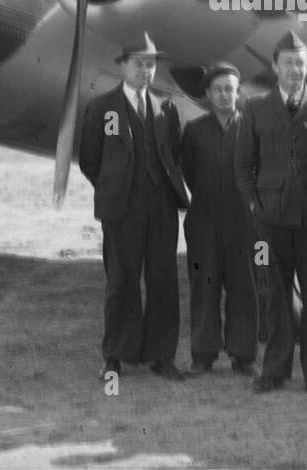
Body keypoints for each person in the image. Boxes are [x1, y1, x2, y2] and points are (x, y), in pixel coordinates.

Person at [79, 31, 190, 382]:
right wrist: (114, 187)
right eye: (139, 64)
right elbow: (90, 159)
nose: (145, 71)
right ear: (123, 66)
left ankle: (161, 356)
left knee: (163, 281)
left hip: (160, 208)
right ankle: (114, 356)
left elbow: (172, 152)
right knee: (121, 281)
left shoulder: (166, 108)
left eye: (151, 64)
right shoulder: (102, 109)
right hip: (121, 209)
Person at [234, 29, 307, 395]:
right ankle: (275, 370)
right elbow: (243, 163)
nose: (295, 69)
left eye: (300, 63)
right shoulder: (255, 107)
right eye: (288, 63)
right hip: (271, 219)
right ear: (275, 67)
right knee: (275, 296)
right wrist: (252, 203)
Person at [179, 63, 258, 376]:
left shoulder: (252, 129)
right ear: (208, 95)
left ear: (238, 93)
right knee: (204, 286)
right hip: (204, 223)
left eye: (230, 89)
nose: (225, 94)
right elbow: (188, 170)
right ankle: (202, 354)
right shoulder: (195, 131)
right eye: (218, 90)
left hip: (243, 223)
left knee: (244, 288)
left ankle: (243, 356)